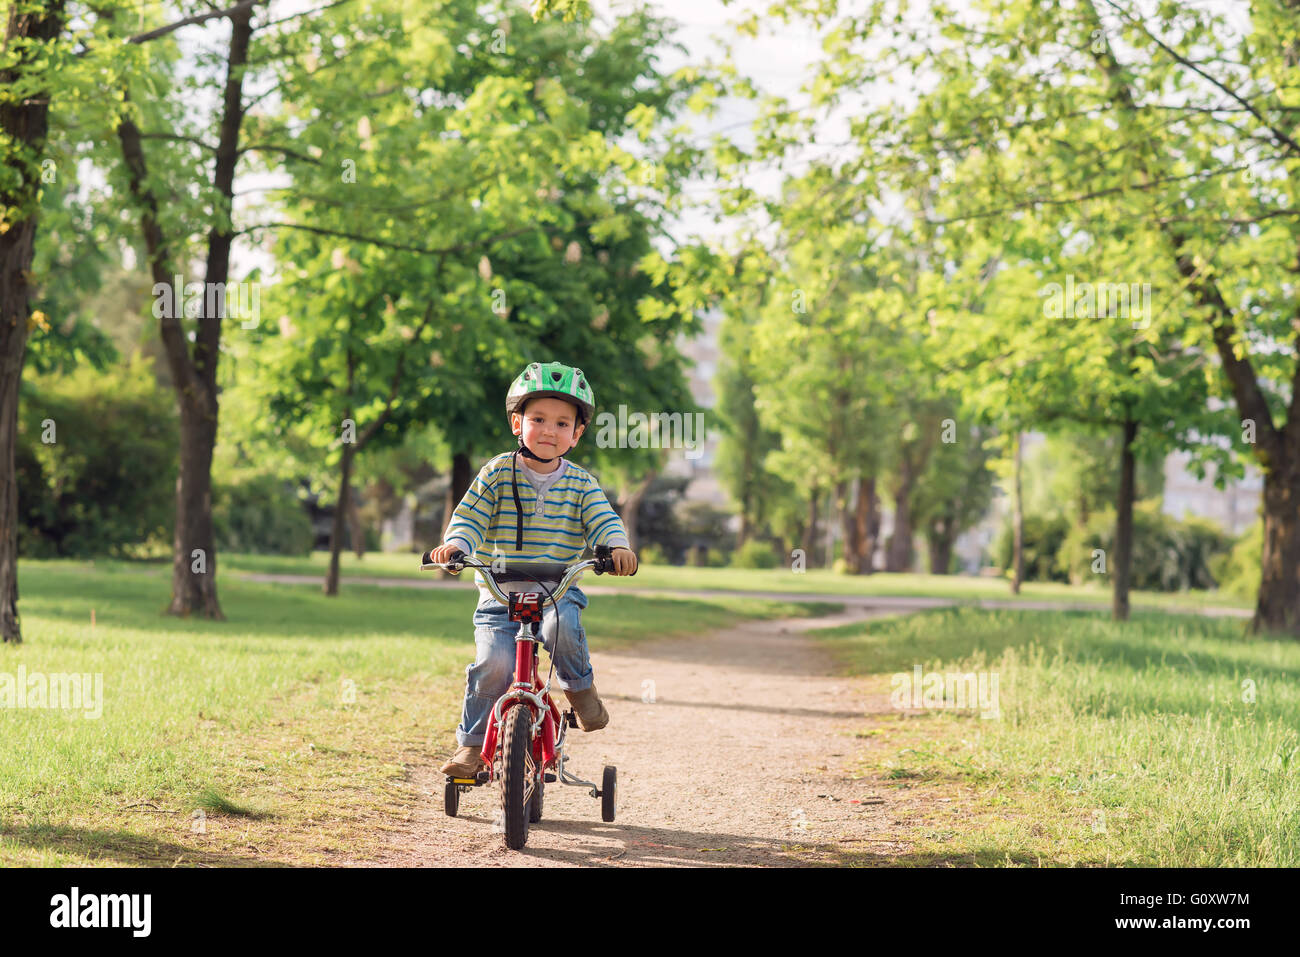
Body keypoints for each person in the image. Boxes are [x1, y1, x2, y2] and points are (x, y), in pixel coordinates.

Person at [428, 361, 638, 777]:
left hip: (556, 591)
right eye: (538, 419)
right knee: (494, 665)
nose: (548, 430)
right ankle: (471, 746)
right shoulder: (496, 473)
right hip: (500, 592)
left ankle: (580, 693)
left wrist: (616, 547)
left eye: (562, 423)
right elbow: (470, 516)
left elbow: (603, 520)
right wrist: (456, 545)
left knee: (561, 630)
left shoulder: (582, 484)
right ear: (516, 423)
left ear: (576, 434)